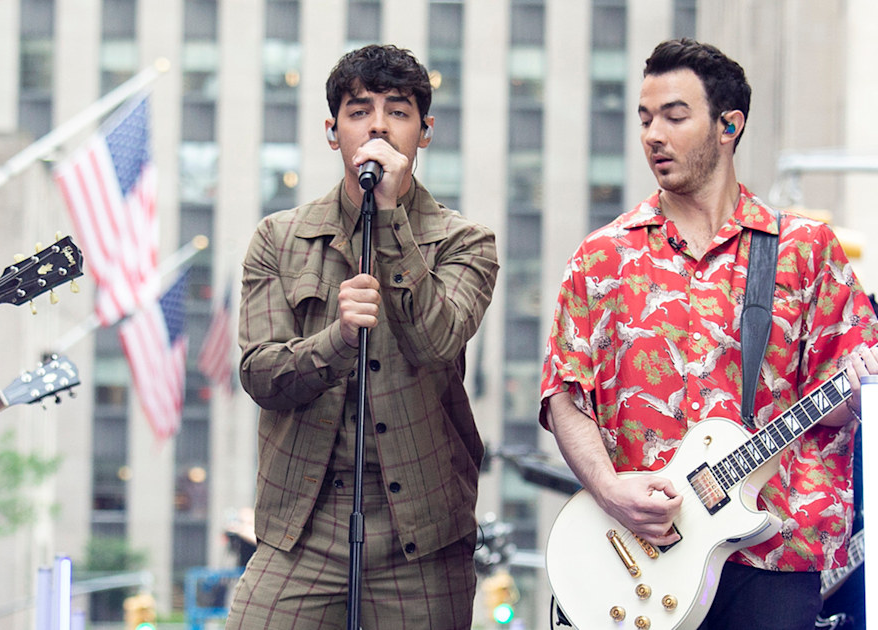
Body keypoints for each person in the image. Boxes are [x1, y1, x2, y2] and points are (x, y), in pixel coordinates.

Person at [540, 38, 878, 630]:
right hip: (638, 561)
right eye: (645, 119)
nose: (653, 135)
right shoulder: (603, 257)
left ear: (729, 125)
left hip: (771, 556)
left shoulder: (805, 251)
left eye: (674, 116)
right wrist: (609, 487)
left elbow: (851, 399)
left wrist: (857, 390)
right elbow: (565, 395)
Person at [228, 44, 499, 629]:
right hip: (302, 524)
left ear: (424, 132)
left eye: (398, 111)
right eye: (359, 110)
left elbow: (437, 341)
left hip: (421, 533)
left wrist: (393, 219)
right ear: (333, 131)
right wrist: (338, 340)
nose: (378, 125)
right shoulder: (279, 239)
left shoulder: (466, 243)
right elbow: (260, 373)